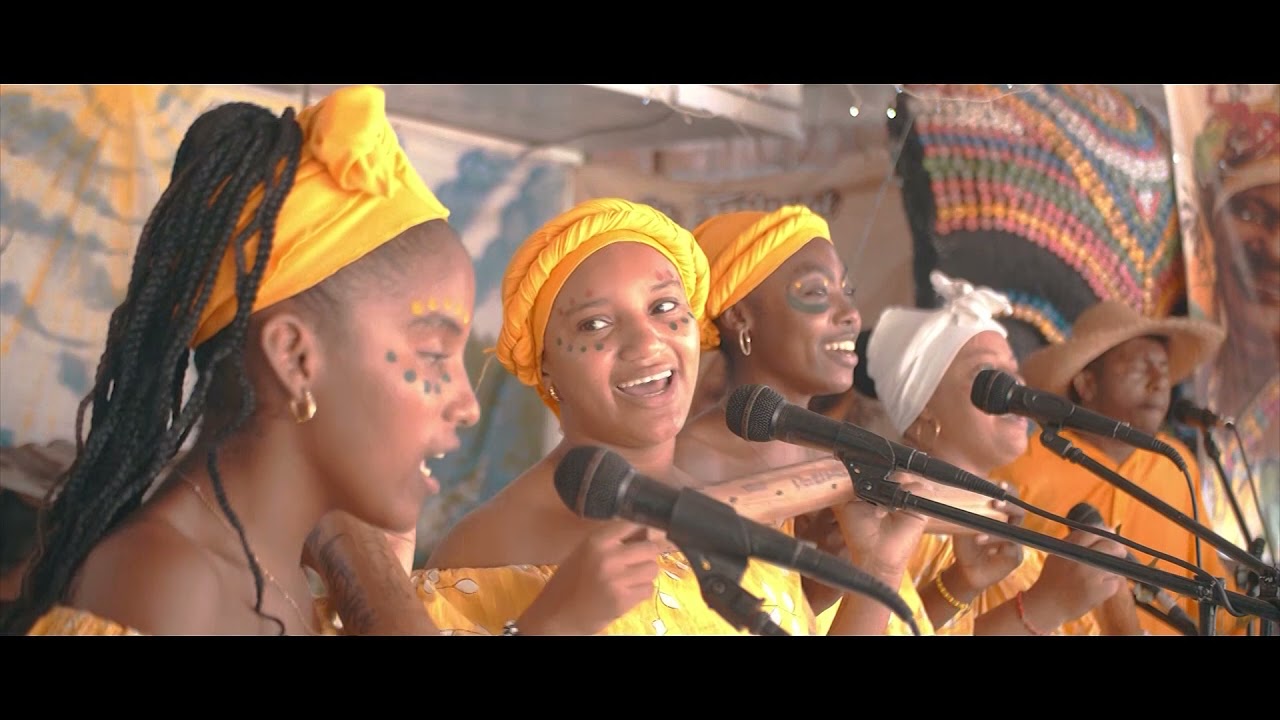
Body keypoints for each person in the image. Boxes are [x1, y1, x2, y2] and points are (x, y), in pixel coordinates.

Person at [0, 85, 481, 636]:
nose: (466, 404)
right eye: (435, 354)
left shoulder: (277, 576)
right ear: (295, 357)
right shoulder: (168, 585)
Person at [391, 197, 831, 636]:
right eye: (594, 324)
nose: (646, 343)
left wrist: (879, 569)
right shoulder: (484, 550)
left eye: (663, 308)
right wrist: (555, 625)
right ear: (545, 366)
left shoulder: (742, 515)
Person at [673, 205, 931, 636]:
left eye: (847, 290)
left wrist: (823, 585)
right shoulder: (692, 468)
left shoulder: (839, 467)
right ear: (740, 316)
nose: (850, 313)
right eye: (815, 293)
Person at [864, 271, 1132, 635]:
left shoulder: (1030, 556)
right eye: (988, 374)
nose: (1014, 387)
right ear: (923, 413)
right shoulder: (885, 536)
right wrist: (1044, 605)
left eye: (1013, 372)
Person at [991, 299, 1240, 635]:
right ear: (1086, 384)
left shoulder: (1175, 466)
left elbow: (1214, 588)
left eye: (1163, 370)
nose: (1158, 383)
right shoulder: (1023, 467)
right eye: (1139, 366)